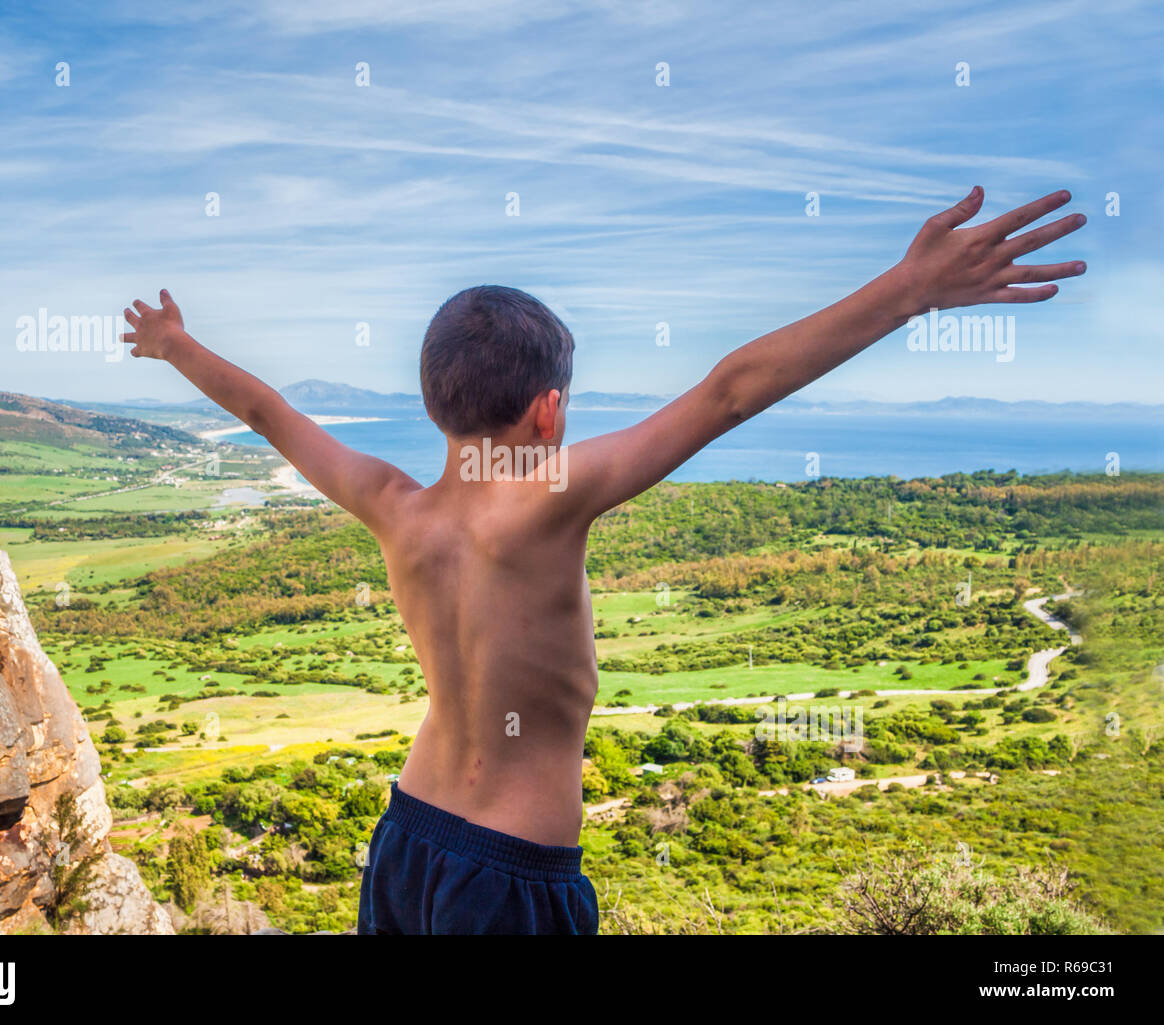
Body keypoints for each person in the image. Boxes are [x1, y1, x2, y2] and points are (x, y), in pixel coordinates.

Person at [121, 186, 1086, 934]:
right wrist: (907, 291)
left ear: (433, 403)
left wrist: (174, 345)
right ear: (549, 409)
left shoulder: (393, 506)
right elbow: (729, 394)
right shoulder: (546, 499)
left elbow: (269, 413)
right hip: (506, 875)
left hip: (405, 837)